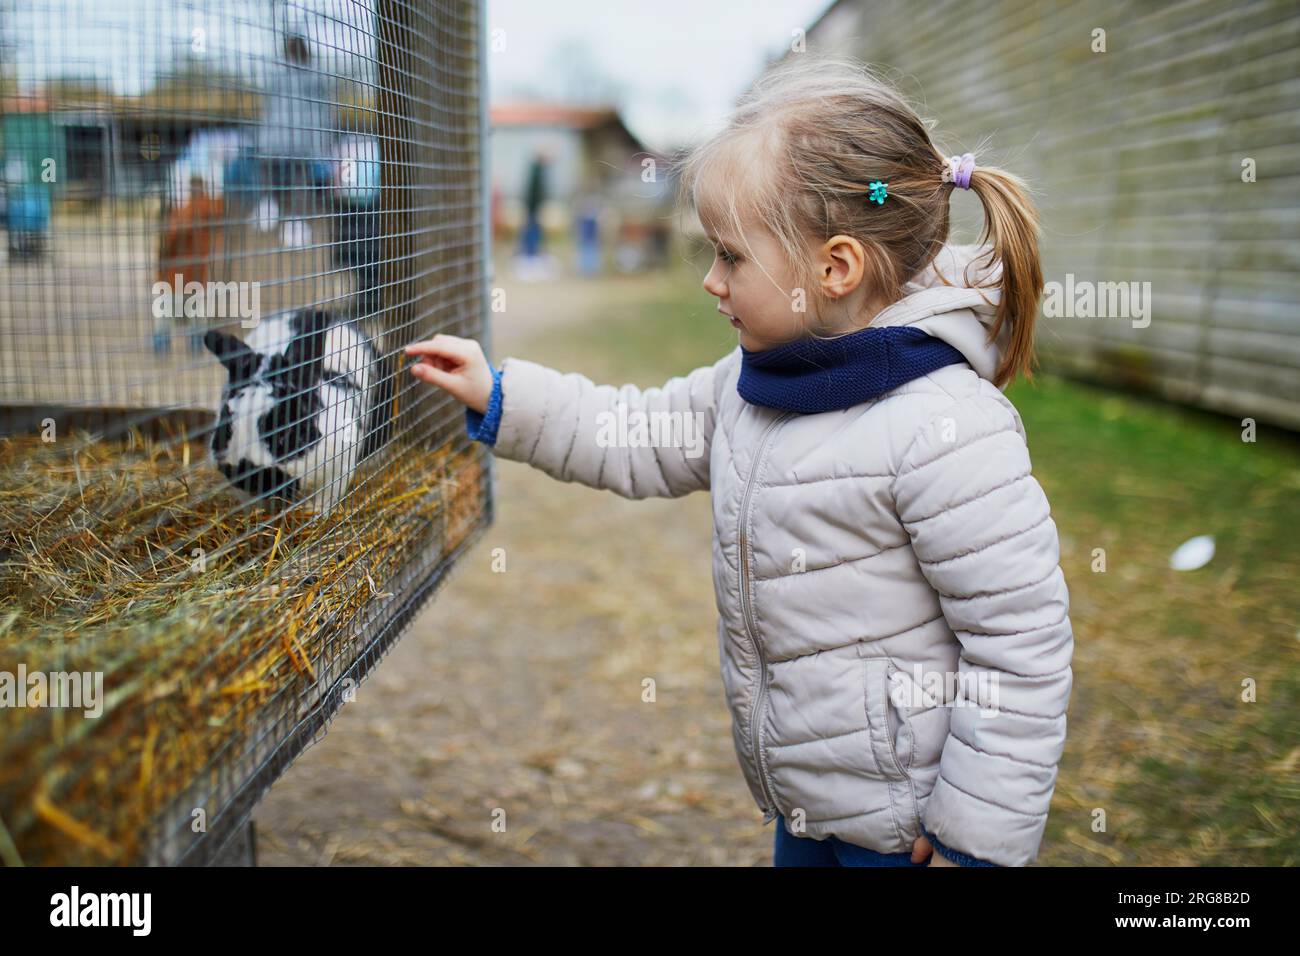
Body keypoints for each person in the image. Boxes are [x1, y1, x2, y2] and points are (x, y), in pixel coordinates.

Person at [405, 55, 1073, 868]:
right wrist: (502, 395)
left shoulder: (948, 427)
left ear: (834, 269)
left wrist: (975, 836)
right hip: (807, 801)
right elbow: (638, 433)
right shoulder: (753, 386)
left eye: (729, 256)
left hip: (912, 829)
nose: (713, 283)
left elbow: (1019, 642)